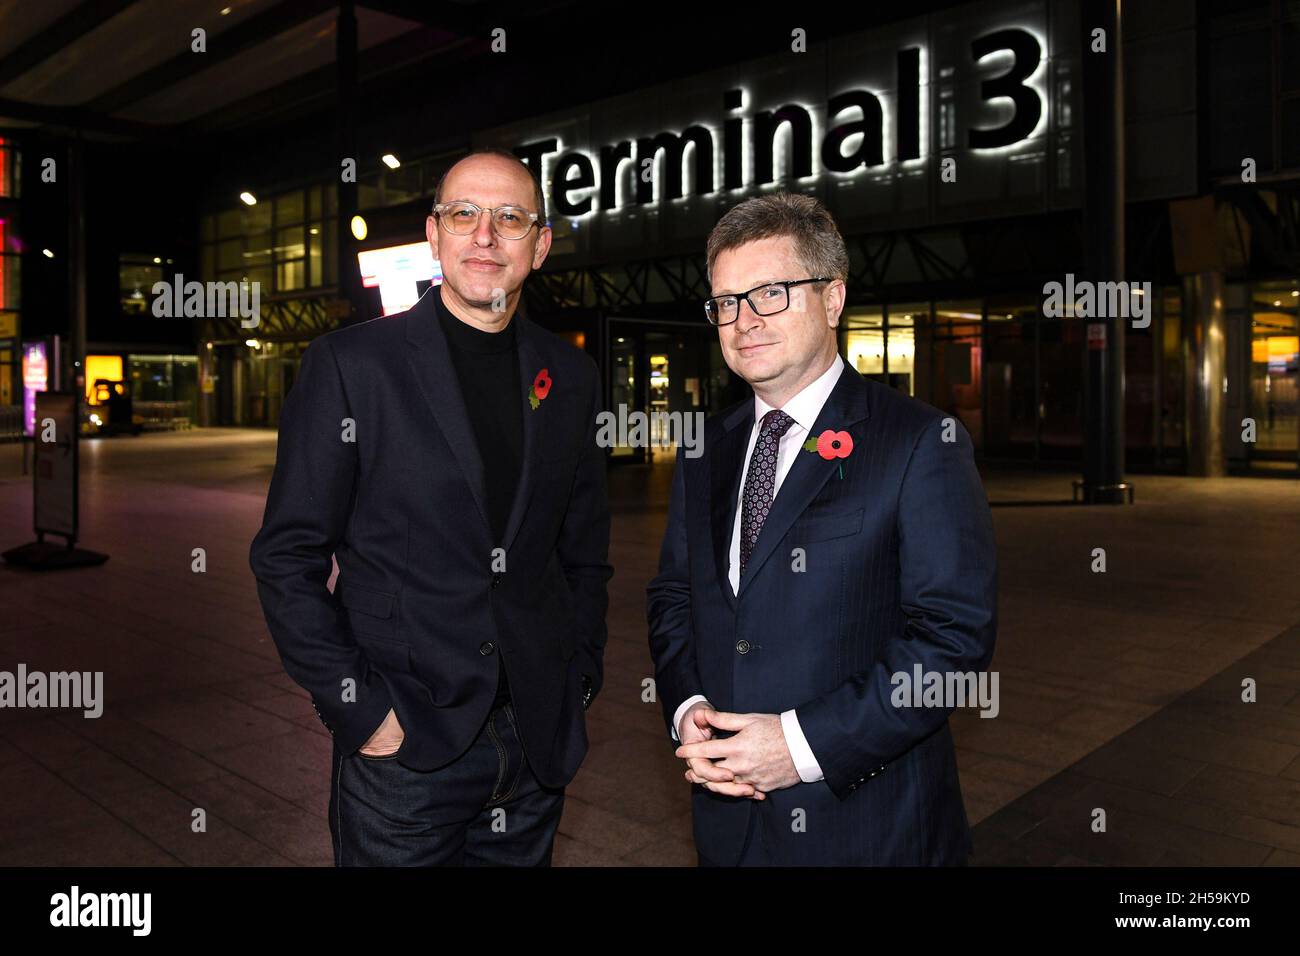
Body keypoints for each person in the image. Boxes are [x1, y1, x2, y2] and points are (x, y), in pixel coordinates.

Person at [250, 147, 611, 866]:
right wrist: (362, 712)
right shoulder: (353, 367)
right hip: (405, 752)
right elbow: (286, 557)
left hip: (533, 747)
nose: (485, 235)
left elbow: (583, 551)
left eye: (510, 218)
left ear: (539, 246)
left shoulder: (569, 374)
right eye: (464, 214)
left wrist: (579, 674)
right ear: (434, 233)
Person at [646, 192, 997, 865]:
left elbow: (954, 642)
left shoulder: (919, 442)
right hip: (728, 823)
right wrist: (689, 707)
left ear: (833, 300)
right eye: (726, 301)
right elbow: (674, 597)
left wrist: (800, 746)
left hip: (867, 826)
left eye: (770, 293)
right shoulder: (706, 450)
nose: (742, 320)